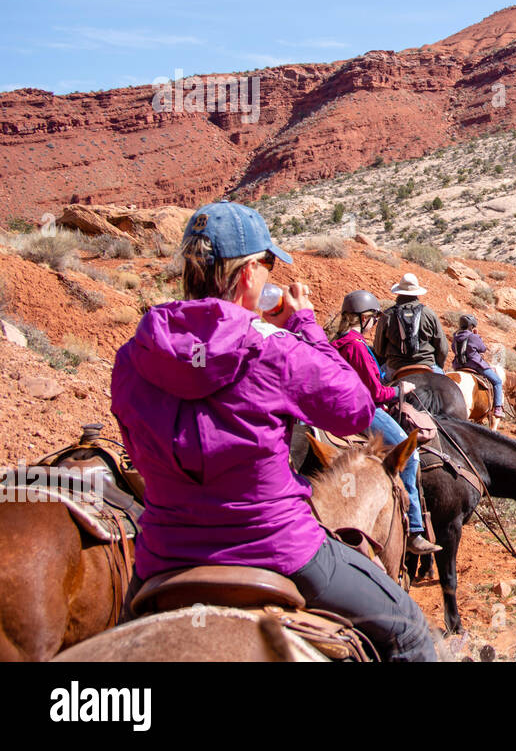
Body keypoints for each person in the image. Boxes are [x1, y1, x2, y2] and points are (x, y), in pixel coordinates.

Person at [110, 200, 438, 661]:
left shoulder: (132, 355)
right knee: (411, 632)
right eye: (267, 263)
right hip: (277, 547)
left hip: (164, 556)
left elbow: (135, 449)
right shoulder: (275, 348)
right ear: (248, 274)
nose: (268, 273)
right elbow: (354, 408)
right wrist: (303, 323)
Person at [330, 290, 438, 555]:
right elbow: (376, 393)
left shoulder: (338, 341)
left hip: (343, 404)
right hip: (362, 409)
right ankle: (414, 529)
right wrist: (402, 390)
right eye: (373, 320)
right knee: (408, 453)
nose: (375, 324)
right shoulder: (355, 346)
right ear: (364, 318)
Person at [375, 273, 449, 378]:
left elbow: (379, 349)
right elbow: (442, 347)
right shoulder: (429, 314)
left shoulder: (387, 315)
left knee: (377, 391)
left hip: (395, 367)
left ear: (398, 292)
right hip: (426, 365)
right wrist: (437, 365)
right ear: (416, 293)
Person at [451, 313, 504, 418]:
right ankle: (498, 408)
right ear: (471, 326)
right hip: (475, 365)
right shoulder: (473, 336)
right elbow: (482, 348)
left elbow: (453, 349)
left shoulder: (455, 337)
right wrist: (476, 335)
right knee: (498, 381)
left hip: (458, 366)